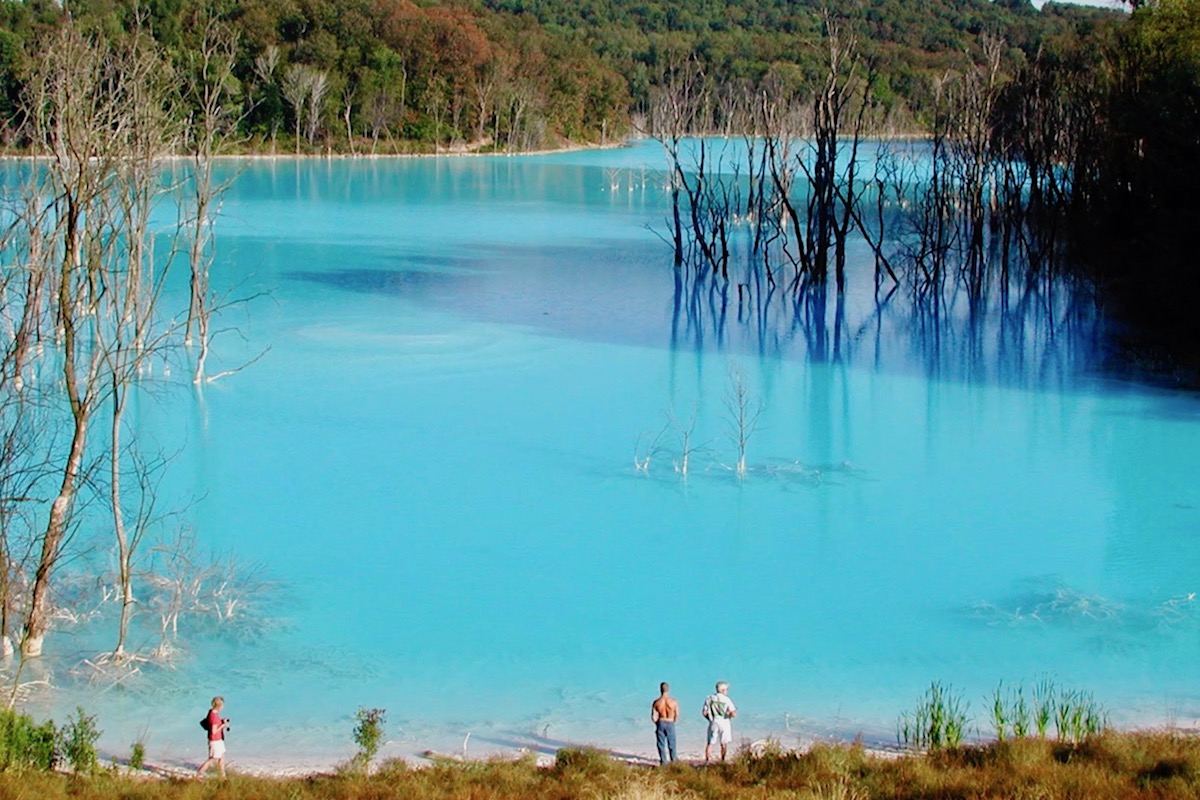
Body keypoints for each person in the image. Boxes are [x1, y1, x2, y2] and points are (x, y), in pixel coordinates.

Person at [701, 681, 737, 762]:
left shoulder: (709, 698)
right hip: (724, 722)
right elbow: (733, 713)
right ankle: (722, 760)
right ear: (723, 690)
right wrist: (729, 715)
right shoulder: (727, 700)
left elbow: (704, 712)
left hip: (713, 722)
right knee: (724, 743)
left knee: (710, 743)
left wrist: (710, 719)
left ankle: (707, 761)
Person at [196, 696, 230, 779]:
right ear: (219, 706)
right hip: (215, 740)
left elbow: (213, 725)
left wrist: (221, 721)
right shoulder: (214, 716)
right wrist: (223, 726)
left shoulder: (212, 712)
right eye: (222, 705)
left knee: (222, 758)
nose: (223, 707)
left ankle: (223, 777)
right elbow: (214, 731)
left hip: (219, 740)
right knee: (212, 759)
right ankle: (199, 774)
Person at [650, 681, 680, 765]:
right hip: (670, 722)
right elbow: (677, 715)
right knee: (672, 743)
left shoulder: (656, 702)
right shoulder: (673, 702)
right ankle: (673, 760)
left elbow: (653, 716)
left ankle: (663, 761)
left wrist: (657, 723)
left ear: (660, 690)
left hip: (661, 722)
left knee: (661, 743)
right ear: (668, 689)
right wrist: (672, 721)